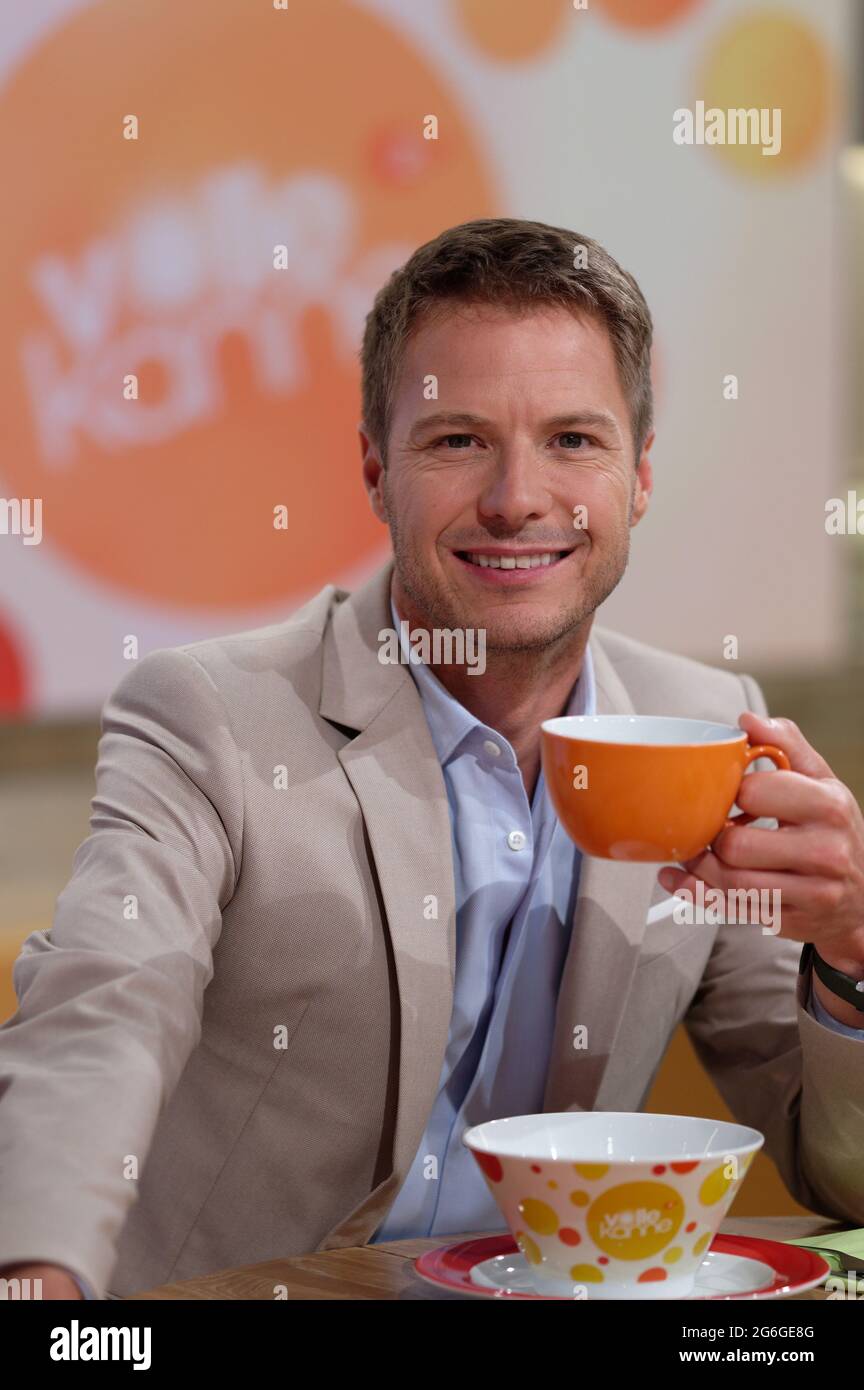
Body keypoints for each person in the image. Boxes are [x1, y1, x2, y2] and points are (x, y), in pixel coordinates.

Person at [2, 218, 863, 1301]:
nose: (516, 498)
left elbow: (839, 1168)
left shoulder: (705, 726)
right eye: (457, 440)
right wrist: (40, 1279)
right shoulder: (212, 718)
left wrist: (851, 947)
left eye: (573, 440)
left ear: (639, 476)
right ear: (375, 468)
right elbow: (103, 1010)